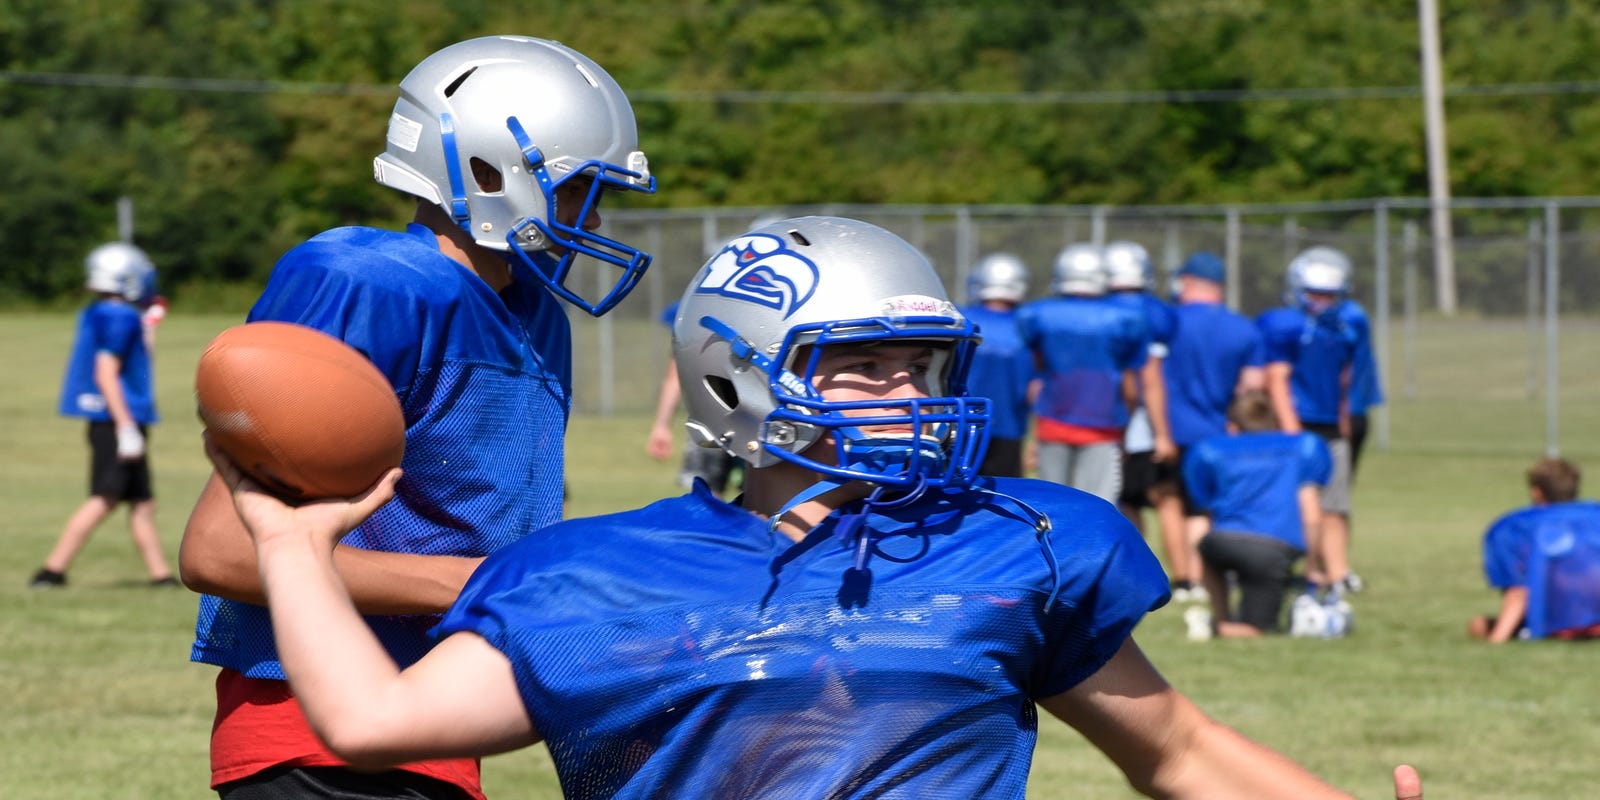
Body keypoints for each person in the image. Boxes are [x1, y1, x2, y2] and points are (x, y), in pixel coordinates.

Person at [209, 216, 1423, 800]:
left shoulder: (1020, 542)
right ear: (742, 376)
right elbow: (369, 720)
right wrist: (290, 538)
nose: (908, 396)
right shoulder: (593, 575)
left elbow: (1181, 749)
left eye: (922, 365)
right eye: (863, 366)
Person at [177, 35, 658, 800]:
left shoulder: (535, 314)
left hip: (430, 727)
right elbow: (222, 550)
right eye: (574, 189)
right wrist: (489, 584)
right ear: (484, 170)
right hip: (312, 737)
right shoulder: (371, 284)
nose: (590, 218)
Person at [32, 242, 176, 589]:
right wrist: (126, 426)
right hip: (118, 419)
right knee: (106, 498)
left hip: (115, 418)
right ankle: (51, 572)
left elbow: (135, 359)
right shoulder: (120, 317)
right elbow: (106, 372)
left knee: (142, 502)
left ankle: (162, 578)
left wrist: (149, 324)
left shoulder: (100, 312)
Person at [1152, 251, 1266, 602]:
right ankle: (1204, 578)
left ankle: (1184, 580)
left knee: (1169, 502)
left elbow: (1148, 374)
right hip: (1218, 433)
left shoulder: (1167, 321)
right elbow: (1251, 387)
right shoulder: (1244, 328)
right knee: (1203, 508)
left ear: (1186, 282)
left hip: (1169, 430)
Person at [1180, 391, 1332, 640]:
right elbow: (1312, 515)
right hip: (1271, 546)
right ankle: (1215, 628)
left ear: (1232, 426)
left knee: (1212, 554)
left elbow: (1201, 514)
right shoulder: (1302, 447)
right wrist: (1312, 566)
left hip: (1220, 541)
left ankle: (1221, 616)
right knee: (1258, 630)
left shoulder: (1209, 450)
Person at [1256, 246, 1364, 596]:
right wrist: (1290, 429)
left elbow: (1344, 378)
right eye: (1315, 293)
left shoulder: (1344, 329)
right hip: (1297, 425)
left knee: (1335, 504)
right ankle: (1297, 570)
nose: (1322, 300)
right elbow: (1277, 378)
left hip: (1330, 425)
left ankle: (1337, 571)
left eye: (1329, 294)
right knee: (1293, 504)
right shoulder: (1284, 324)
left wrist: (1345, 416)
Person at [1016, 243, 1149, 503]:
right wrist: (1127, 424)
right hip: (1104, 427)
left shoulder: (1038, 314)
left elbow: (1036, 377)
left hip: (1053, 423)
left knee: (1051, 507)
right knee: (1099, 509)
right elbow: (1130, 387)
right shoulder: (1125, 318)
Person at [1470, 457, 1600, 643]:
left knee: (1478, 625)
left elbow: (1518, 593)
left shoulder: (1517, 527)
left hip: (1557, 625)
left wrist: (1497, 639)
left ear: (1537, 492)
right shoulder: (1594, 517)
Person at [1103, 240, 1177, 532]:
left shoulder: (1097, 310)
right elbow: (1152, 379)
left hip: (1102, 420)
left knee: (1120, 502)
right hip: (1142, 423)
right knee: (1161, 496)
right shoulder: (1157, 312)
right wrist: (1163, 433)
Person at [647, 300, 742, 494]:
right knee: (763, 502)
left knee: (707, 501)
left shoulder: (698, 302)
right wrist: (661, 427)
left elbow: (675, 375)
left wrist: (662, 426)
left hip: (712, 412)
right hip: (756, 413)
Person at [958, 251, 1034, 477]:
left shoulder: (961, 317)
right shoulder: (1028, 323)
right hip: (1009, 427)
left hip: (961, 421)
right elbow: (1035, 388)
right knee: (1002, 499)